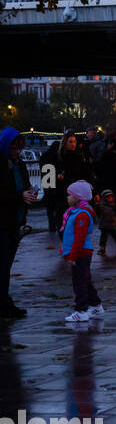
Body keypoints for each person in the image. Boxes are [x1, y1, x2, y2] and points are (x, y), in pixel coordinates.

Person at [0, 128, 39, 319]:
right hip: (3, 220)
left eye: (19, 149)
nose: (17, 152)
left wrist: (29, 190)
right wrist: (19, 196)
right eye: (14, 148)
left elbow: (24, 184)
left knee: (6, 265)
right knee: (2, 264)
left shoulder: (20, 164)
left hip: (14, 219)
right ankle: (4, 303)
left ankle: (5, 301)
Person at [61, 180, 104, 322]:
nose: (67, 197)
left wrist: (73, 255)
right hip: (81, 252)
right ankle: (95, 304)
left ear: (77, 197)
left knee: (79, 281)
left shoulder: (81, 215)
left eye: (69, 195)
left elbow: (79, 237)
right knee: (85, 279)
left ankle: (81, 310)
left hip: (81, 253)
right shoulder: (76, 213)